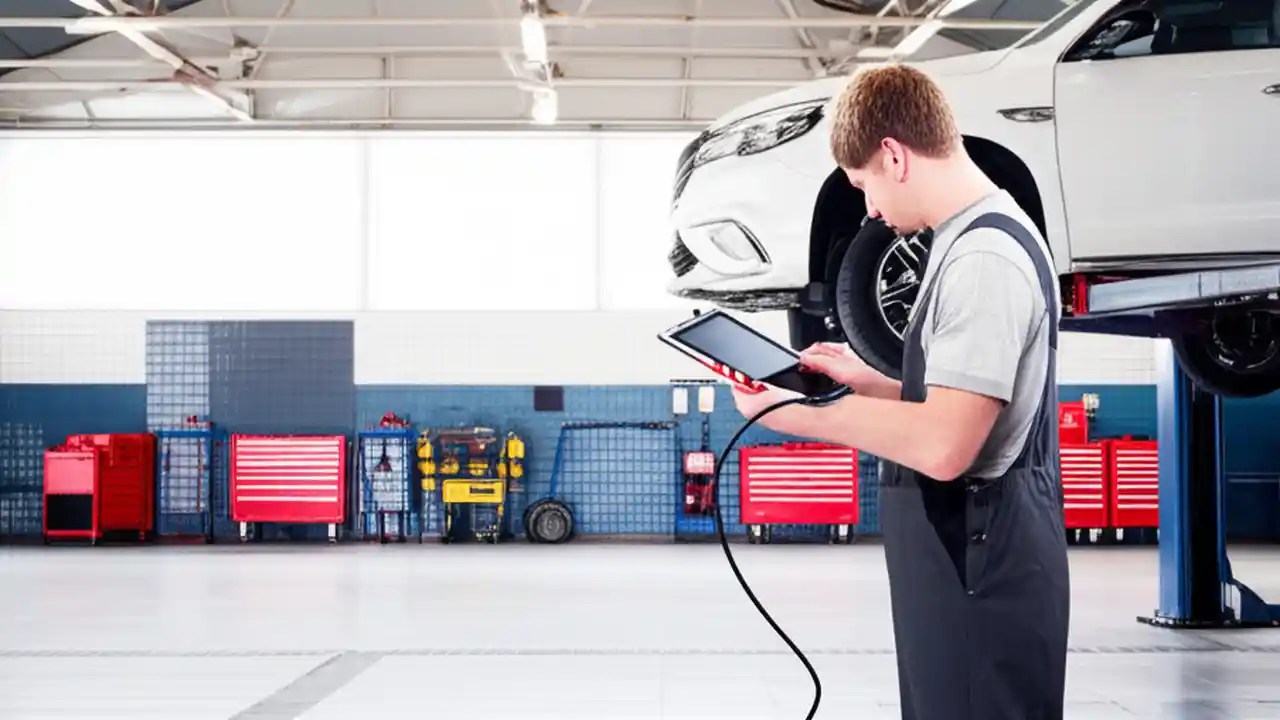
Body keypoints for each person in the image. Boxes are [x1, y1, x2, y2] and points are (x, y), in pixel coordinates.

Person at [732, 63, 1070, 719]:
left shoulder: (982, 260)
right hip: (972, 563)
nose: (869, 208)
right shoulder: (978, 237)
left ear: (893, 154)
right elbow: (966, 404)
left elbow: (946, 446)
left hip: (979, 566)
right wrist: (878, 386)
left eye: (864, 185)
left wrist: (796, 413)